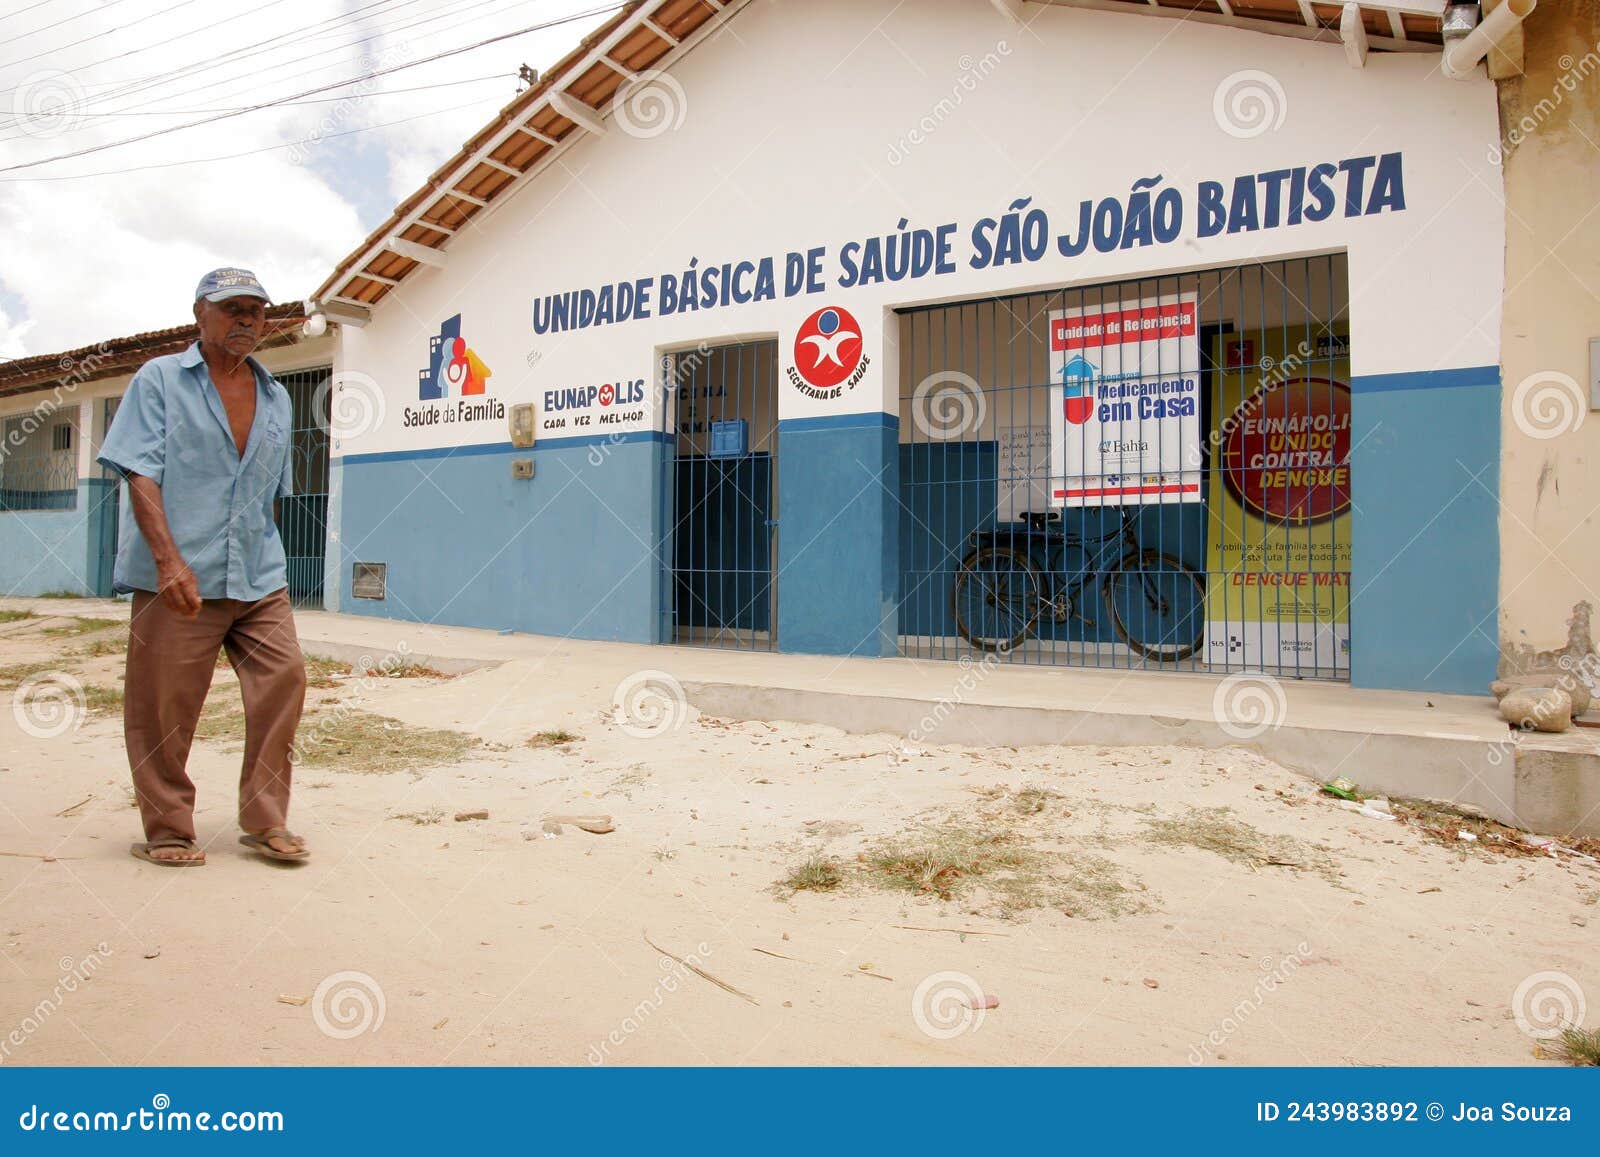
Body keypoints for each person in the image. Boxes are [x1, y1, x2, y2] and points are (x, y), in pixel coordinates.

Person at [98, 268, 310, 867]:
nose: (246, 319)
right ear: (201, 315)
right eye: (232, 308)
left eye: (256, 310)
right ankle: (167, 829)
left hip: (257, 575)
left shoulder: (276, 396)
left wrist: (262, 552)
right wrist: (168, 560)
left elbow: (271, 490)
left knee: (285, 678)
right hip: (178, 575)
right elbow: (139, 472)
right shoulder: (161, 379)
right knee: (163, 703)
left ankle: (266, 820)